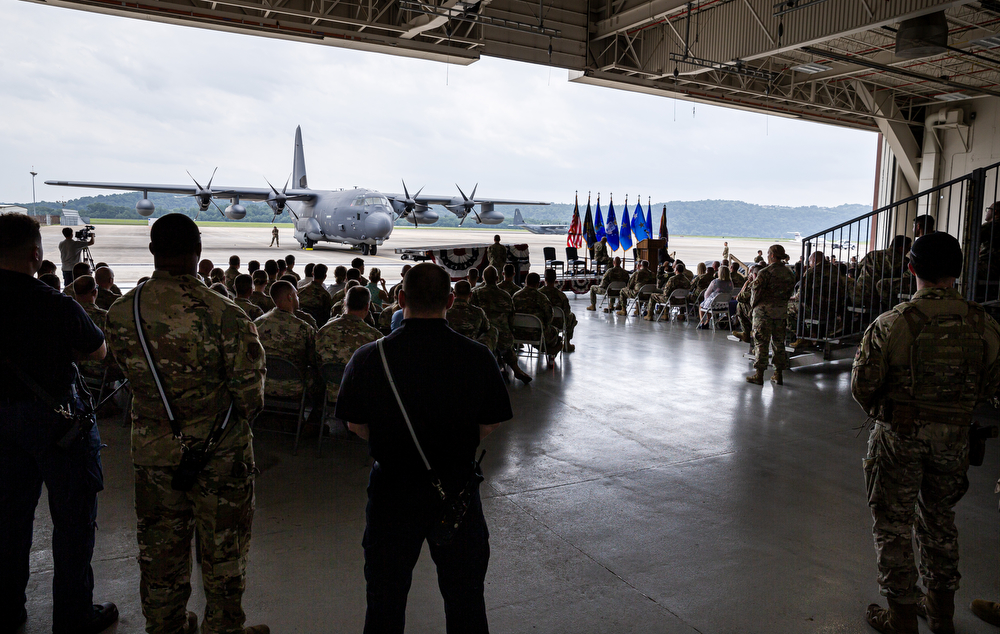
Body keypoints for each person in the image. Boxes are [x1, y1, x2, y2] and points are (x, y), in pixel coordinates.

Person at [104, 213, 268, 634]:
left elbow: (129, 372)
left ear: (153, 250)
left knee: (161, 553)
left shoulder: (124, 311)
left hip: (155, 451)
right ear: (198, 251)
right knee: (223, 553)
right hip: (220, 456)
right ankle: (223, 628)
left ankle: (166, 626)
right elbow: (251, 398)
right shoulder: (225, 313)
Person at [335, 263, 513, 634]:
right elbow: (490, 421)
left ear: (400, 299)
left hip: (393, 489)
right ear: (450, 300)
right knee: (465, 598)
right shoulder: (478, 356)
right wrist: (450, 444)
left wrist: (394, 442)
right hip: (456, 489)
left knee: (385, 599)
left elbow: (355, 424)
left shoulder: (369, 357)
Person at [851, 232, 1000, 634]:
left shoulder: (893, 323)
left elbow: (862, 387)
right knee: (940, 522)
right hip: (954, 440)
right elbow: (992, 385)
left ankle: (901, 619)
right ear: (957, 271)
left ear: (911, 268)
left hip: (899, 438)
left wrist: (892, 410)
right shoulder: (983, 324)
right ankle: (941, 617)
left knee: (893, 527)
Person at [0, 214, 118, 634]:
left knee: (10, 521)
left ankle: (8, 608)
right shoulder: (54, 303)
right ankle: (73, 616)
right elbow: (100, 351)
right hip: (57, 424)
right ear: (35, 254)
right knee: (72, 522)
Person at [316, 286, 382, 406]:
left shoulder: (324, 331)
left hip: (328, 393)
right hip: (360, 398)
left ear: (345, 303)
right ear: (367, 307)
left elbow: (315, 361)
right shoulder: (375, 338)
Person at [255, 282, 317, 401]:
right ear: (290, 297)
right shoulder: (303, 328)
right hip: (294, 387)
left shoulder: (258, 324)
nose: (298, 298)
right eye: (296, 295)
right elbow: (314, 360)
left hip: (262, 383)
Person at [472, 266, 533, 384]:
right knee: (507, 347)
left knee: (490, 344)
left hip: (485, 337)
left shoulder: (476, 294)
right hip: (504, 337)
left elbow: (473, 314)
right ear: (497, 278)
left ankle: (499, 370)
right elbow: (511, 317)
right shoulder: (506, 296)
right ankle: (516, 369)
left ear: (483, 278)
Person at [746, 245, 796, 385]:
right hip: (780, 312)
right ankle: (778, 373)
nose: (767, 256)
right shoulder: (789, 273)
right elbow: (790, 292)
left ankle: (759, 374)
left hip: (764, 313)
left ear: (773, 255)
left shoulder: (765, 272)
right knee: (779, 343)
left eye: (768, 254)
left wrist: (753, 306)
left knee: (761, 343)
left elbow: (755, 293)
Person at [512, 272, 563, 364]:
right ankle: (550, 353)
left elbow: (510, 314)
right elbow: (549, 316)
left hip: (517, 334)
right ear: (538, 284)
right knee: (554, 332)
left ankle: (546, 349)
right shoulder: (542, 298)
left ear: (525, 282)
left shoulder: (515, 296)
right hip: (537, 334)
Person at [446, 280, 498, 351]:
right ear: (470, 294)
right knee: (493, 330)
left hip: (449, 348)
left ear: (454, 294)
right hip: (471, 349)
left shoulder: (446, 311)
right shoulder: (478, 312)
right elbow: (486, 327)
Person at [540, 269, 576, 352]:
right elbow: (567, 312)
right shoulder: (561, 296)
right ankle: (567, 343)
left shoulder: (539, 294)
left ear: (544, 279)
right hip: (558, 323)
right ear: (555, 279)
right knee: (572, 317)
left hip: (542, 323)